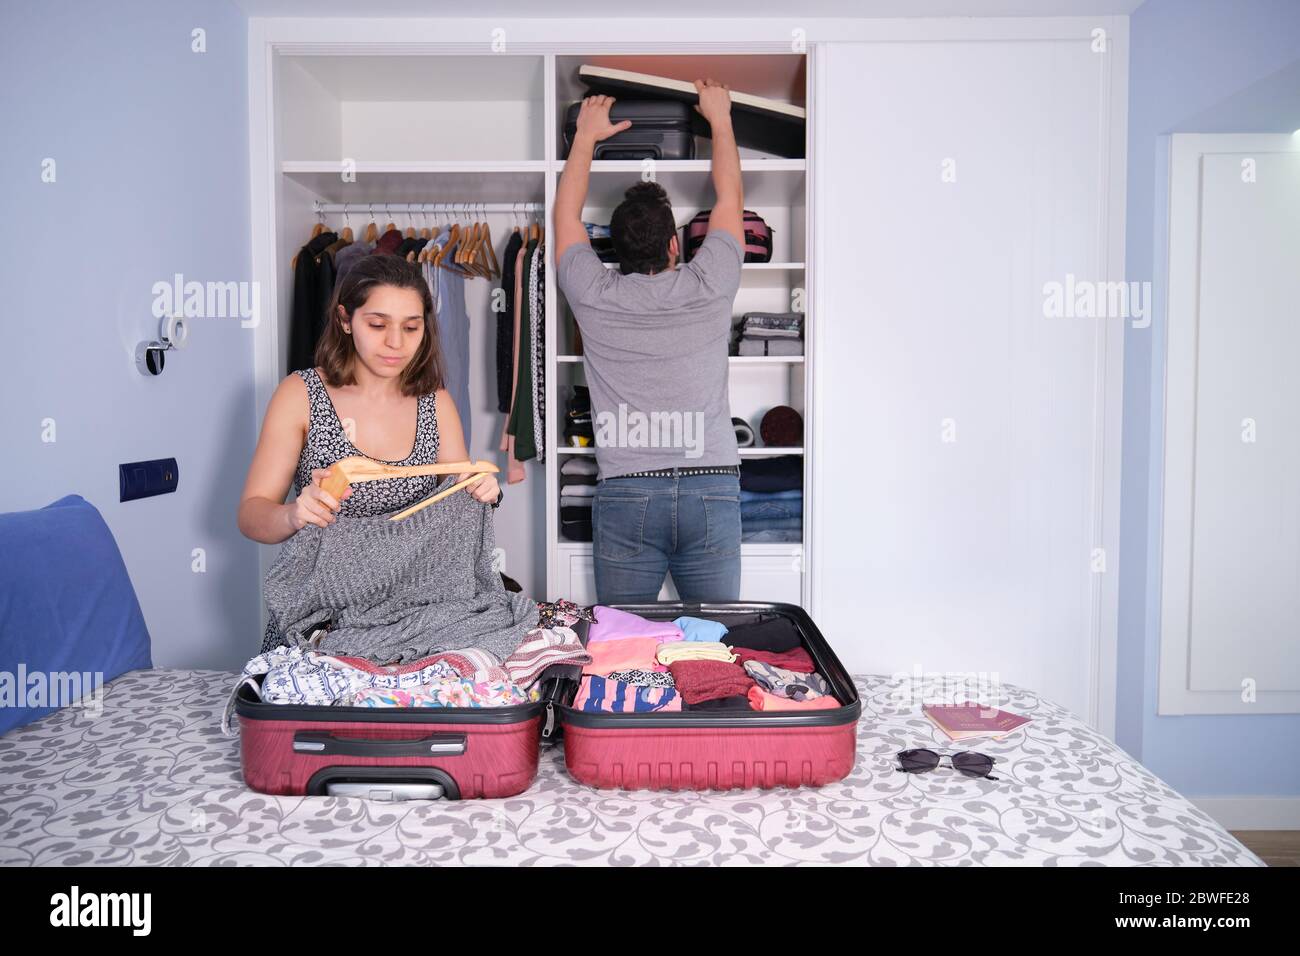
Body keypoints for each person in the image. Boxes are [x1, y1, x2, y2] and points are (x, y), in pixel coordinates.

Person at [553, 78, 745, 603]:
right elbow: (730, 197)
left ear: (614, 249)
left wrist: (586, 137)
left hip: (628, 491)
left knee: (620, 646)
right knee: (712, 642)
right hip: (711, 485)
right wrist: (719, 117)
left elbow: (565, 217)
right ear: (675, 245)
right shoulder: (711, 283)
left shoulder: (593, 292)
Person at [237, 253, 502, 541]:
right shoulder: (301, 395)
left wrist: (482, 491)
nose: (395, 343)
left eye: (411, 327)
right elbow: (252, 515)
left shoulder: (434, 402)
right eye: (378, 325)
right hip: (329, 584)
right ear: (345, 320)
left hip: (420, 584)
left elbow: (458, 501)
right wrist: (294, 515)